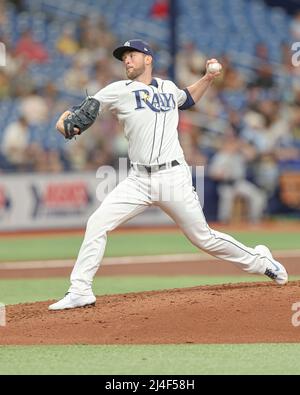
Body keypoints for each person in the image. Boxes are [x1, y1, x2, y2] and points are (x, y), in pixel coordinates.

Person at [49, 39, 288, 310]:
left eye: (132, 55)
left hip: (173, 176)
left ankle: (262, 261)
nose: (126, 60)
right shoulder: (117, 90)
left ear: (147, 59)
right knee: (97, 223)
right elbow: (80, 120)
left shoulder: (167, 87)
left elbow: (187, 97)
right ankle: (80, 290)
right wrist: (66, 124)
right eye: (123, 57)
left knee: (203, 238)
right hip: (138, 179)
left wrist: (208, 77)